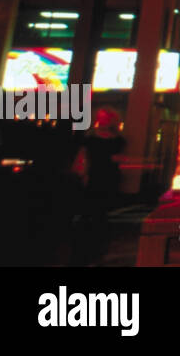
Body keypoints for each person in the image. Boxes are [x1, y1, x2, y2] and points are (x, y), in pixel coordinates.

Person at [71, 108, 126, 266]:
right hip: (101, 177)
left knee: (96, 213)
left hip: (100, 177)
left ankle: (89, 249)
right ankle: (92, 249)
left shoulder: (91, 139)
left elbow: (83, 157)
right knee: (97, 213)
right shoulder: (115, 140)